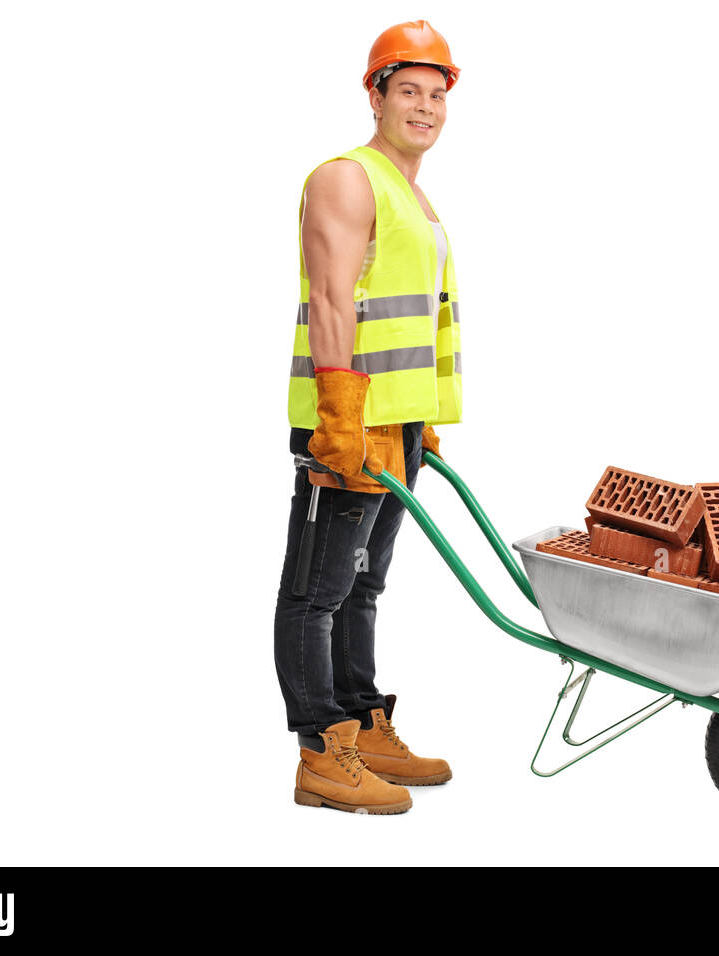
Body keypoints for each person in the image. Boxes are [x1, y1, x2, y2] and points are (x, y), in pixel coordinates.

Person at [274, 20, 464, 815]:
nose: (423, 107)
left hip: (397, 423)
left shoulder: (412, 192)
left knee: (362, 586)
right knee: (316, 591)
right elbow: (330, 298)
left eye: (436, 93)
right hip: (348, 421)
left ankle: (361, 720)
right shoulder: (348, 179)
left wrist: (419, 417)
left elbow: (412, 315)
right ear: (376, 93)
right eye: (408, 91)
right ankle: (323, 750)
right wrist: (343, 418)